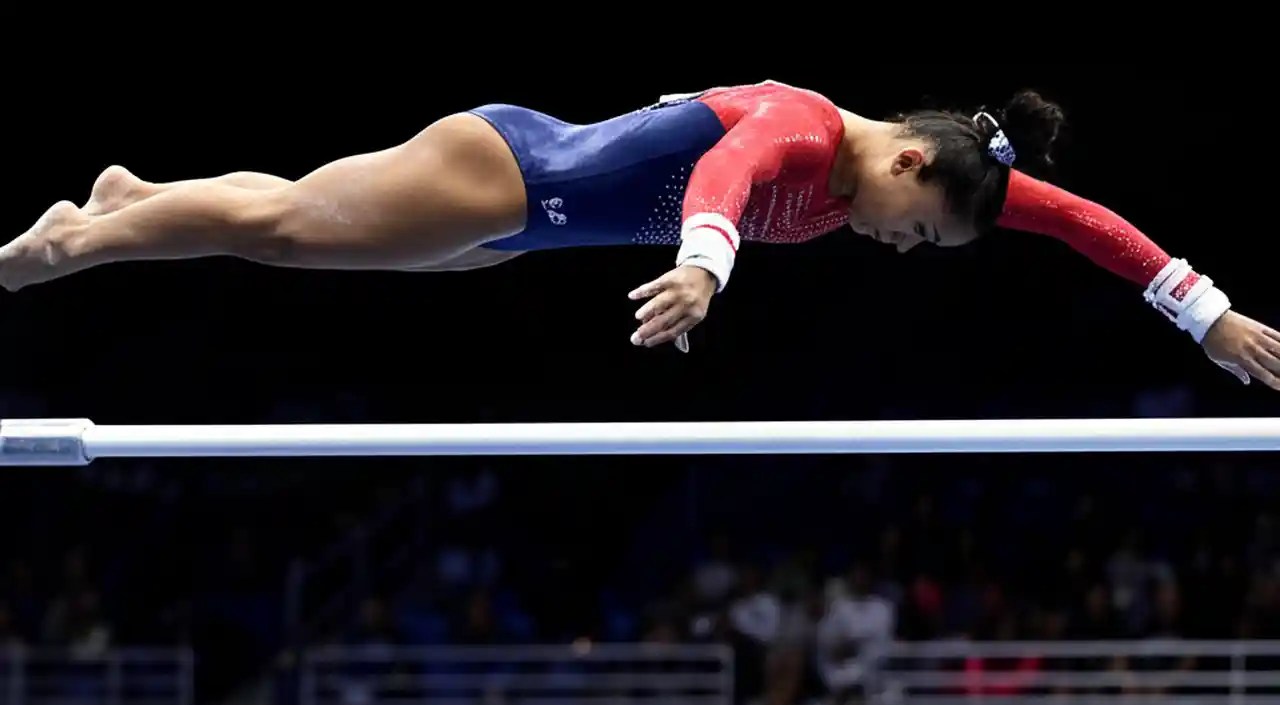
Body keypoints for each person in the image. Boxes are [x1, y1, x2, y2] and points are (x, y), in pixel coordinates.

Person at [3, 80, 1278, 388]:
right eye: (915, 233)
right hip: (506, 173)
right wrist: (703, 266)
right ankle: (73, 240)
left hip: (527, 220)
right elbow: (728, 166)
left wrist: (1197, 306)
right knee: (282, 230)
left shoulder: (901, 173)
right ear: (902, 161)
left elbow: (1080, 222)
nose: (897, 251)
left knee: (285, 215)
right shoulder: (798, 120)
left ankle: (125, 199)